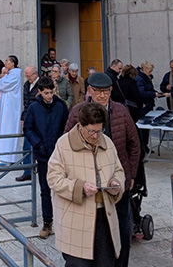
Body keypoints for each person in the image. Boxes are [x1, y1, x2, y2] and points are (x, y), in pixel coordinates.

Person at [67, 72, 141, 264]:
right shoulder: (77, 112)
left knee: (122, 229)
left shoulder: (122, 112)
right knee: (95, 232)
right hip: (90, 185)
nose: (102, 96)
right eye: (97, 91)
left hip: (117, 182)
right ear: (89, 91)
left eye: (106, 91)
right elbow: (66, 144)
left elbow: (134, 144)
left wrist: (131, 174)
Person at [47, 102, 125, 267]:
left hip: (104, 216)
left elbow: (118, 170)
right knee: (78, 263)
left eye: (99, 130)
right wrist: (79, 187)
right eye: (91, 131)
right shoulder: (63, 144)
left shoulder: (107, 143)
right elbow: (53, 178)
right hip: (75, 217)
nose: (96, 136)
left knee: (106, 262)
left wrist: (116, 182)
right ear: (81, 125)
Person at [24, 76, 69, 239]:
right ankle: (47, 222)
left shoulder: (61, 106)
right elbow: (28, 129)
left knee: (63, 189)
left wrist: (62, 145)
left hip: (59, 154)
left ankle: (64, 222)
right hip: (43, 154)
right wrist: (38, 145)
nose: (49, 96)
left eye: (51, 92)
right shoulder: (34, 108)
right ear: (40, 92)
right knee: (45, 190)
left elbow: (67, 127)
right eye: (46, 93)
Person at [0, 55, 23, 166]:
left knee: (8, 128)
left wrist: (3, 77)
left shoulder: (15, 75)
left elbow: (2, 85)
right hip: (5, 104)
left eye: (7, 61)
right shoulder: (10, 74)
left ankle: (6, 158)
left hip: (10, 107)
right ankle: (1, 155)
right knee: (3, 127)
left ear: (13, 63)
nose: (5, 63)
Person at [16, 65, 41, 182]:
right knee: (26, 146)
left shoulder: (41, 85)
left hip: (39, 120)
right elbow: (26, 104)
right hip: (28, 119)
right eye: (26, 76)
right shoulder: (26, 85)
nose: (27, 78)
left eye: (29, 76)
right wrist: (23, 117)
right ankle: (27, 171)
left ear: (35, 75)